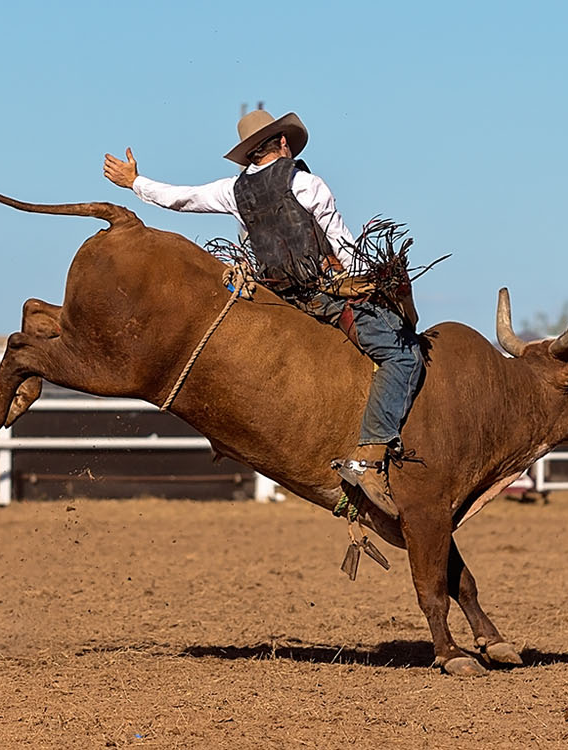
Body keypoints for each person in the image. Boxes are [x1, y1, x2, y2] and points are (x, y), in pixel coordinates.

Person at [102, 109, 420, 519]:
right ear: (284, 143)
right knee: (402, 353)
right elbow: (345, 250)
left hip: (275, 300)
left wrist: (134, 182)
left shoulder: (233, 192)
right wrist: (374, 282)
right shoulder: (307, 184)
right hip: (323, 299)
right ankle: (371, 455)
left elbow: (180, 198)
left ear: (250, 154)